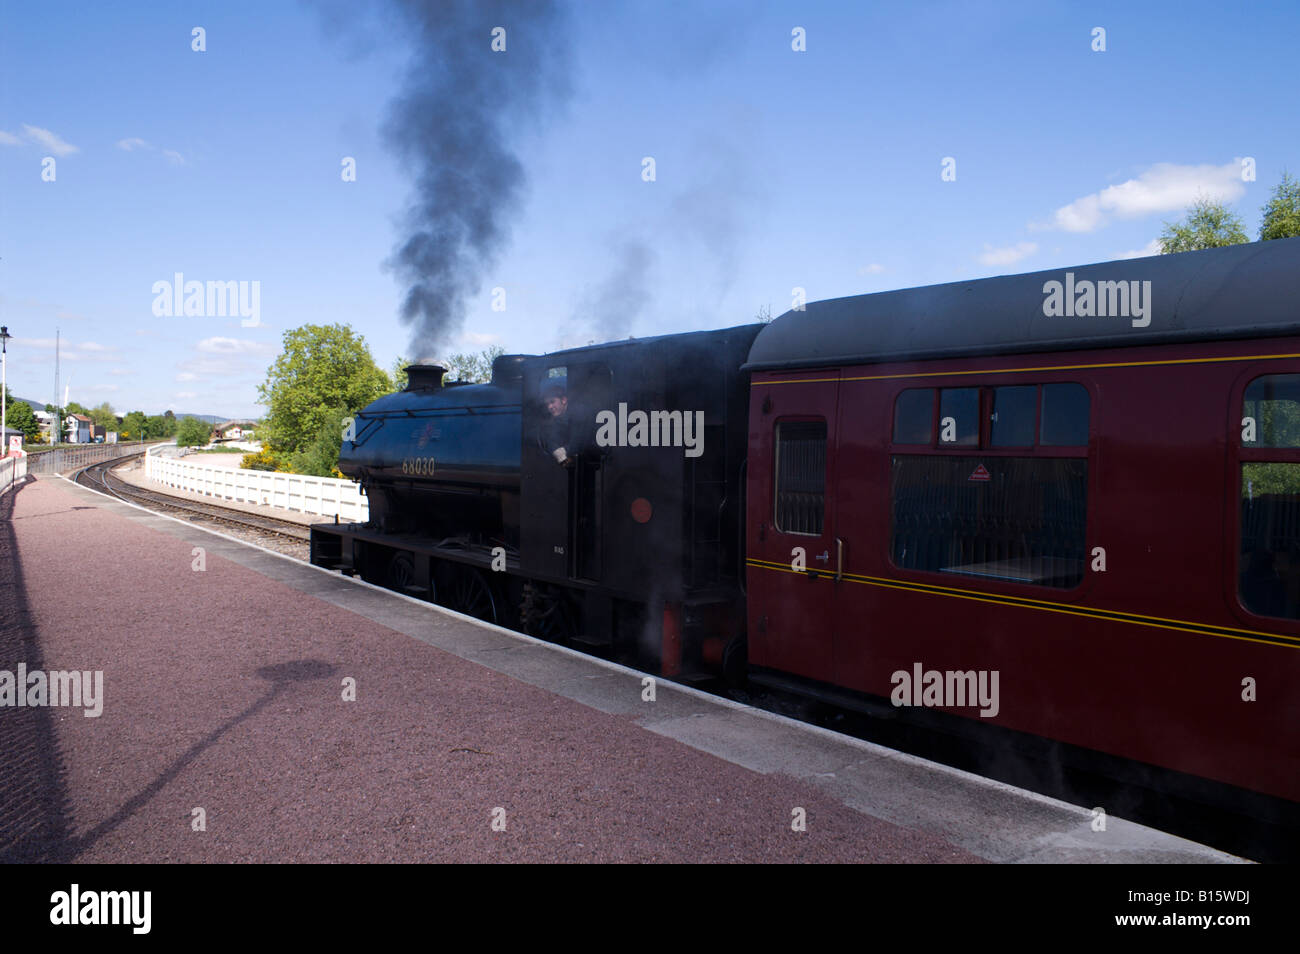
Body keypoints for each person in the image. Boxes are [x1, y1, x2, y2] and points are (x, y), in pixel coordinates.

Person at [538, 381, 573, 466]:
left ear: (564, 400)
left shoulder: (577, 415)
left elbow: (580, 441)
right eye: (547, 404)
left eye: (552, 402)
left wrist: (565, 451)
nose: (549, 407)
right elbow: (548, 440)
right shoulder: (552, 422)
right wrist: (556, 450)